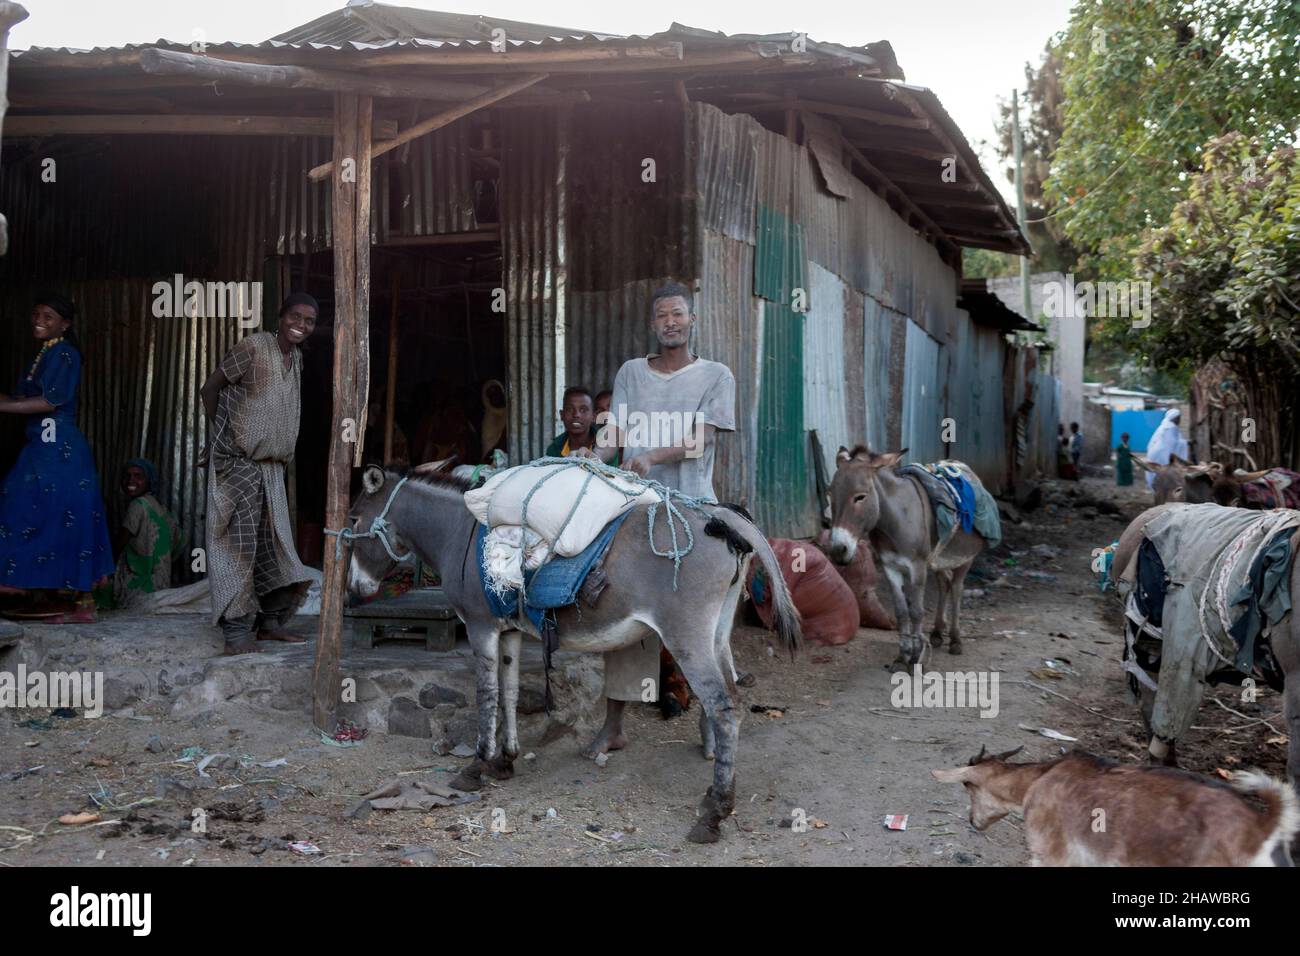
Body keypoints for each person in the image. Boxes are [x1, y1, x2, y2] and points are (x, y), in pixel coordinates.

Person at [576, 281, 736, 756]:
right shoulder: (631, 373)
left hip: (693, 512)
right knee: (625, 611)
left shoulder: (715, 376)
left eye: (678, 314)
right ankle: (615, 726)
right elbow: (614, 435)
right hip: (638, 511)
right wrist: (593, 456)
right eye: (662, 315)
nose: (670, 321)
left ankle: (712, 719)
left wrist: (651, 456)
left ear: (691, 321)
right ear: (653, 324)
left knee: (702, 626)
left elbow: (701, 442)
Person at [200, 293, 316, 655]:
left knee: (275, 546)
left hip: (270, 468)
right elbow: (210, 388)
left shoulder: (295, 358)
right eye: (295, 316)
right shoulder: (253, 347)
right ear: (280, 317)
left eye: (309, 320)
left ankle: (269, 624)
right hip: (238, 463)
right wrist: (220, 437)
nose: (301, 324)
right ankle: (236, 635)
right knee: (238, 547)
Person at [0, 294, 114, 622]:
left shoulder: (64, 353)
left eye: (48, 316)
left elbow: (51, 401)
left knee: (33, 508)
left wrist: (4, 406)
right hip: (43, 447)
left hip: (58, 450)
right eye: (36, 314)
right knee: (47, 514)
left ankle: (67, 599)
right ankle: (58, 597)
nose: (39, 320)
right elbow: (27, 396)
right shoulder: (47, 352)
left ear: (65, 324)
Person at [112, 458, 182, 606]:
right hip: (161, 585)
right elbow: (178, 540)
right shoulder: (159, 507)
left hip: (140, 588)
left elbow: (119, 544)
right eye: (127, 475)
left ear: (149, 481)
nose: (131, 480)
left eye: (138, 476)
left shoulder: (137, 505)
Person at [544, 385, 598, 457]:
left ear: (593, 417)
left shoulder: (606, 447)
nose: (576, 415)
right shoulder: (553, 450)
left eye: (583, 410)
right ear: (561, 415)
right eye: (569, 409)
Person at [1143, 408, 1189, 490]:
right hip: (1161, 453)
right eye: (1179, 418)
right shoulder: (1170, 427)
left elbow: (1175, 442)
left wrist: (1184, 442)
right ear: (1174, 418)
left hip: (1158, 452)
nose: (1180, 420)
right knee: (1164, 470)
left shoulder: (1166, 426)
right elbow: (1170, 445)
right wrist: (1185, 443)